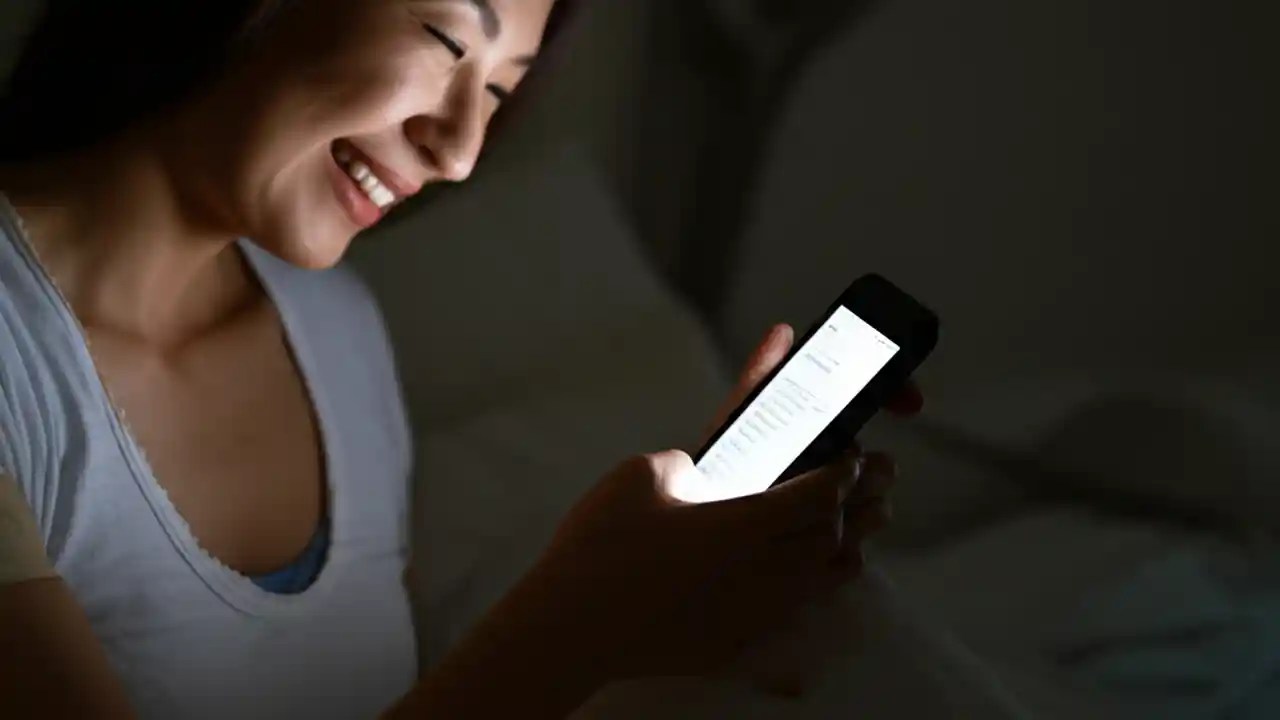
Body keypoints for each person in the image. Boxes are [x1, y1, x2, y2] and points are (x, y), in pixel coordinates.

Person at [0, 1, 919, 717]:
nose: (460, 151)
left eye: (497, 94)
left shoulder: (338, 330)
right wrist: (580, 622)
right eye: (447, 43)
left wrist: (677, 596)